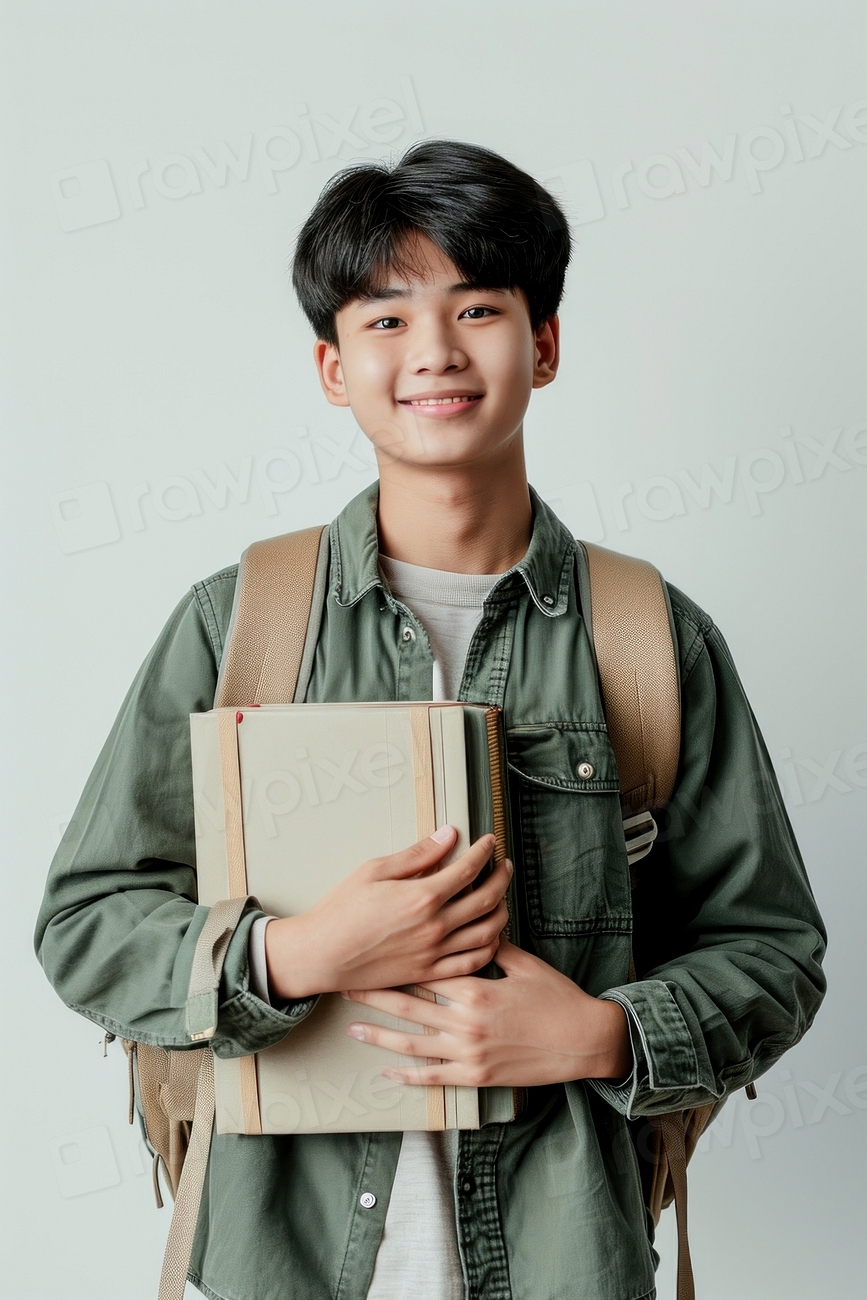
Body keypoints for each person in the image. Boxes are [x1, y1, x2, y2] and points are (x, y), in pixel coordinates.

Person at [35, 139, 827, 1300]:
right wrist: (296, 955)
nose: (437, 352)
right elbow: (85, 921)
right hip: (284, 1261)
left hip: (565, 1260)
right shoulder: (238, 622)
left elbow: (775, 951)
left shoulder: (650, 636)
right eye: (387, 319)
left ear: (543, 344)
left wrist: (603, 1035)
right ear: (331, 366)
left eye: (479, 307)